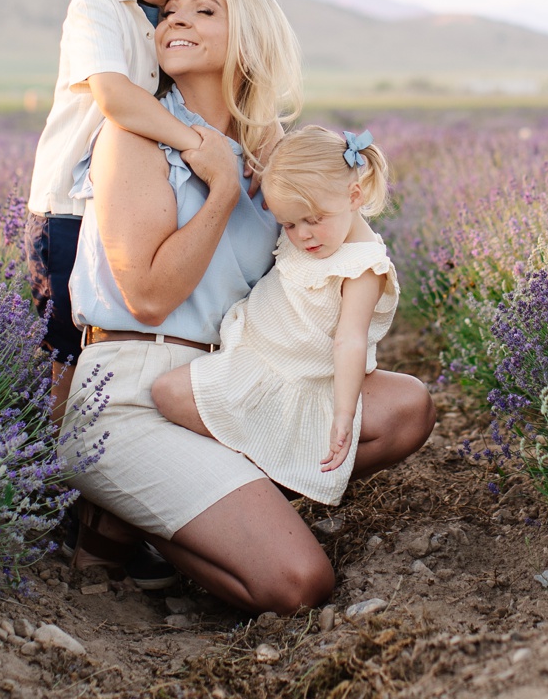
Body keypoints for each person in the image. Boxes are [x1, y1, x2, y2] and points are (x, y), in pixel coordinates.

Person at [62, 0, 434, 614]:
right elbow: (148, 296)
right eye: (170, 11)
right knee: (299, 584)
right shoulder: (135, 137)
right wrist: (223, 191)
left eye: (205, 11)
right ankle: (137, 516)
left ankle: (166, 512)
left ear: (251, 38)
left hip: (229, 381)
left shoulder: (273, 158)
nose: (177, 20)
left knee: (405, 408)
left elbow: (344, 257)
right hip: (131, 392)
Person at [27, 0, 204, 419]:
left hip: (126, 205)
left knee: (114, 330)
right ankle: (51, 454)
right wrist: (194, 144)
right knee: (65, 340)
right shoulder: (97, 2)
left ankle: (113, 431)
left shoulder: (163, 2)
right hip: (70, 209)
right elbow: (115, 97)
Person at [151, 126, 399, 506]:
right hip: (250, 353)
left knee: (170, 393)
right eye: (289, 224)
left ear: (354, 196)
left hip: (292, 375)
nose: (303, 236)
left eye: (313, 219)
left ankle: (245, 489)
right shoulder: (319, 225)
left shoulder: (363, 267)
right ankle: (237, 476)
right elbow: (298, 171)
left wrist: (343, 413)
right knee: (166, 393)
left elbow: (350, 340)